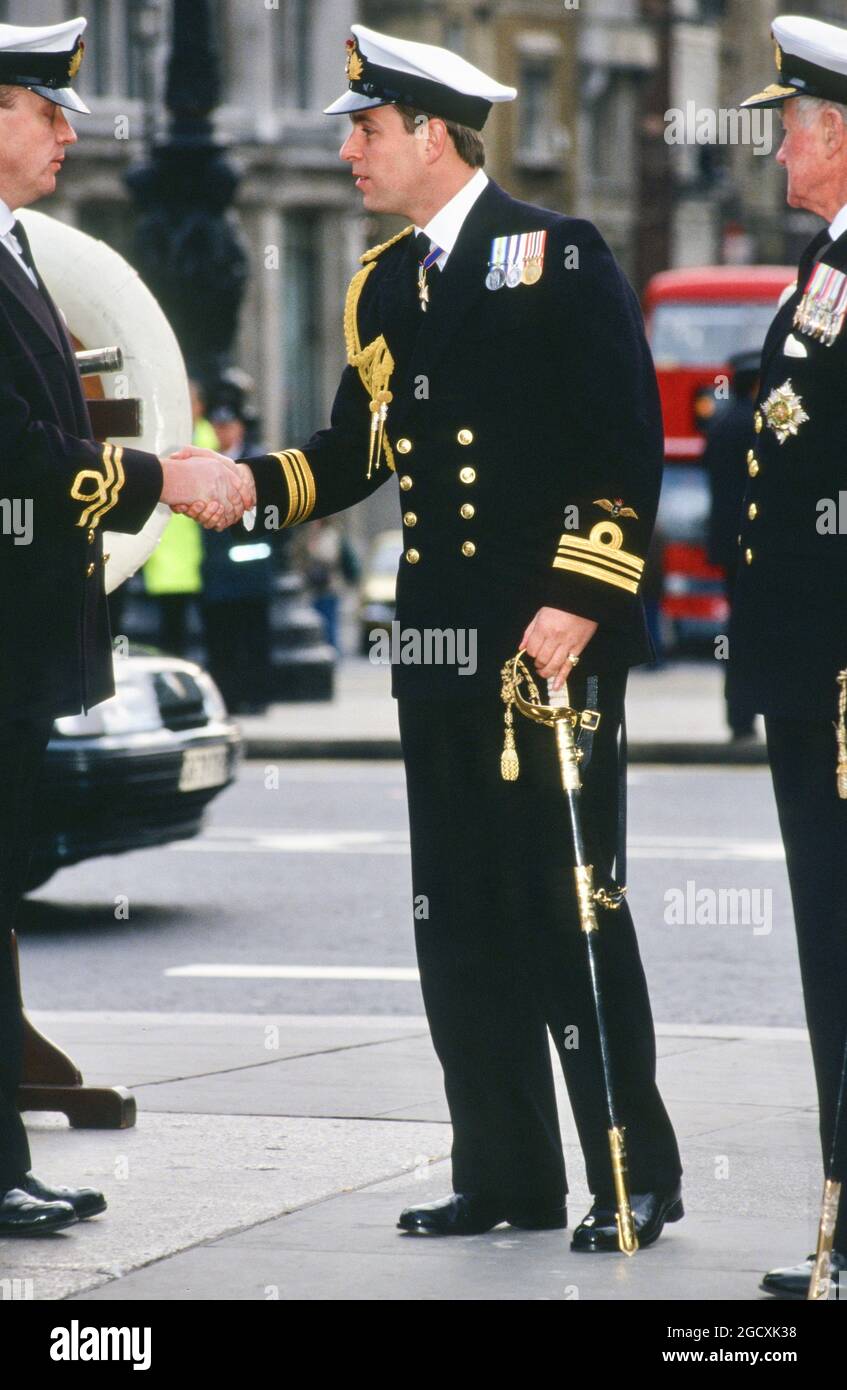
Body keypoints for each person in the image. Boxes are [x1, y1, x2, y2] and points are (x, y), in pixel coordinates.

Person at [177, 23, 682, 1249]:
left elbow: (622, 441)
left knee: (569, 904)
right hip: (437, 652)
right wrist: (247, 483)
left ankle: (632, 1173)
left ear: (432, 136)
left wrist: (581, 595)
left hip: (548, 649)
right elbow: (356, 454)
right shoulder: (379, 285)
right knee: (454, 910)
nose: (348, 149)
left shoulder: (556, 255)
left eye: (365, 129)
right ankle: (504, 1172)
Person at [0, 16, 250, 1237]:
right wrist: (161, 474)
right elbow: (17, 450)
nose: (67, 134)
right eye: (48, 112)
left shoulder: (17, 252)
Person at [731, 13, 847, 1297]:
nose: (770, 149)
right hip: (807, 670)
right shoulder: (826, 265)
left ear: (835, 134)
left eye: (785, 127)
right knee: (828, 942)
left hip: (837, 675)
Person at [201, 382, 274, 713]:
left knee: (254, 638)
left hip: (252, 574)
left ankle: (257, 696)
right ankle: (229, 698)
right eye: (218, 426)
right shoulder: (206, 462)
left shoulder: (256, 460)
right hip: (218, 574)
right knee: (221, 642)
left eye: (227, 426)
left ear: (240, 428)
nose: (222, 432)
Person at [703, 348, 761, 739]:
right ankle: (747, 713)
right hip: (755, 544)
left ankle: (737, 715)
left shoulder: (720, 424)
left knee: (736, 627)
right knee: (755, 630)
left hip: (726, 543)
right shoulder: (759, 426)